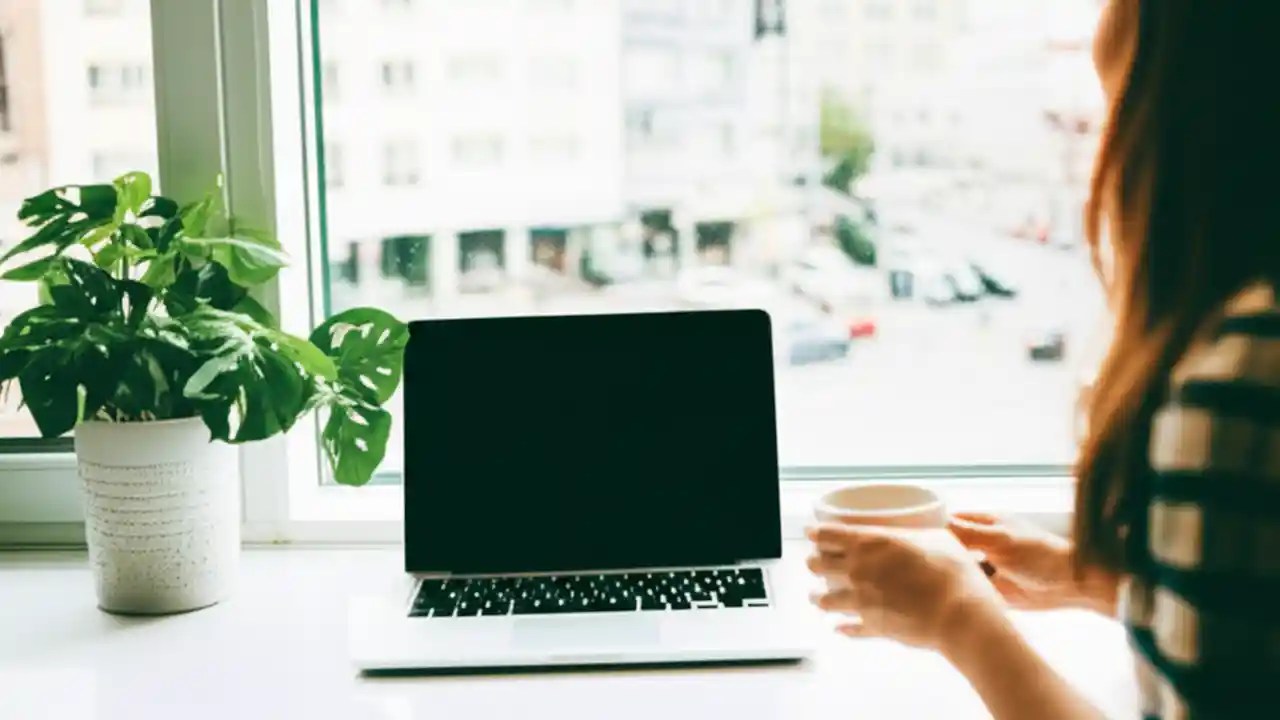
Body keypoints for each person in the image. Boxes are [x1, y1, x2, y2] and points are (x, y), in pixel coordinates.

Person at [806, 1, 1280, 718]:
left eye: (1115, 98)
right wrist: (1104, 582)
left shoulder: (1245, 376)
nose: (1099, 145)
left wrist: (961, 621)